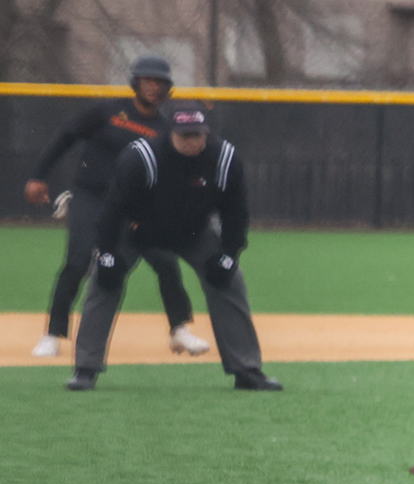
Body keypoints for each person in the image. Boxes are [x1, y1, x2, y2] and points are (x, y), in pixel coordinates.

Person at [67, 105, 280, 392]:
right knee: (103, 281)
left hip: (193, 232)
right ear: (171, 133)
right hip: (135, 229)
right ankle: (86, 368)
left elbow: (236, 212)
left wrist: (230, 254)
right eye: (185, 135)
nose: (192, 141)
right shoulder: (141, 157)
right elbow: (112, 209)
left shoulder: (225, 158)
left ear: (207, 134)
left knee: (230, 280)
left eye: (197, 135)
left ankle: (247, 369)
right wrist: (105, 253)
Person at [23, 55, 205, 360]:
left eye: (159, 82)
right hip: (91, 197)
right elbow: (66, 135)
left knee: (164, 260)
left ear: (167, 89)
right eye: (147, 80)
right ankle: (52, 334)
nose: (153, 87)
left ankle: (179, 330)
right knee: (78, 261)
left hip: (135, 206)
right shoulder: (106, 111)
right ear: (136, 83)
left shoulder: (164, 128)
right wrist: (39, 176)